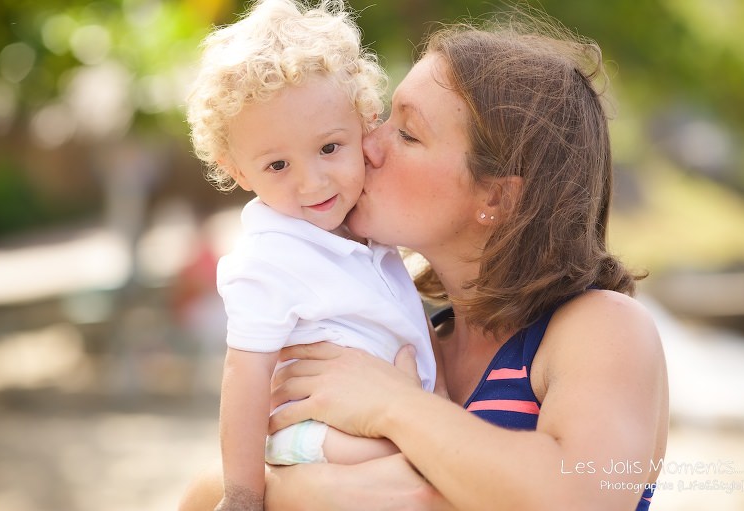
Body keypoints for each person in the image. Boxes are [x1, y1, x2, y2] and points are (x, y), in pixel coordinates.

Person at [179, 10, 669, 511]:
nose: (368, 143)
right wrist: (294, 488)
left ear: (497, 197)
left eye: (407, 133)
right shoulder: (407, 337)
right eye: (383, 119)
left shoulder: (604, 329)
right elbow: (204, 495)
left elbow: (582, 497)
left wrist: (392, 406)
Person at [184, 0, 437, 509]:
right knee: (426, 467)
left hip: (383, 417)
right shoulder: (269, 258)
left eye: (328, 149)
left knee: (437, 456)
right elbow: (245, 376)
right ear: (238, 172)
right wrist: (242, 494)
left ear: (365, 125)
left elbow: (412, 329)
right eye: (278, 165)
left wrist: (441, 403)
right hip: (316, 433)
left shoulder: (371, 234)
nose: (312, 182)